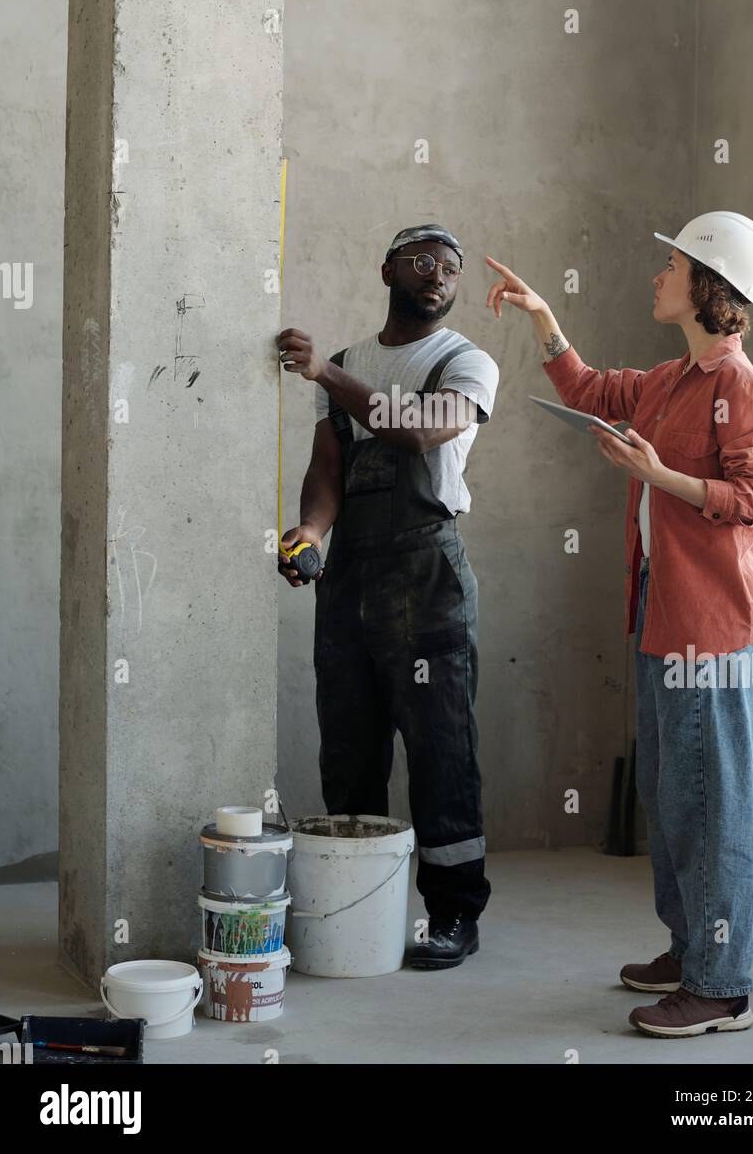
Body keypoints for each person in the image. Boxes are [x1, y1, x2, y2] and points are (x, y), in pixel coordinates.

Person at [486, 211, 753, 1038]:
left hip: (718, 628)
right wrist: (545, 319)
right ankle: (693, 952)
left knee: (714, 804)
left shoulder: (740, 387)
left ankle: (723, 988)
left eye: (673, 266)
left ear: (708, 285)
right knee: (670, 792)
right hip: (664, 618)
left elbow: (752, 501)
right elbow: (589, 390)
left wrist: (662, 476)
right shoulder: (671, 380)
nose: (658, 276)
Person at [277, 225, 499, 969]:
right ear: (388, 270)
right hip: (350, 585)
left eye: (451, 268)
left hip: (425, 581)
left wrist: (325, 378)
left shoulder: (463, 362)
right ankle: (361, 905)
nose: (438, 275)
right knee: (348, 754)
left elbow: (420, 432)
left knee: (440, 750)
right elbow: (329, 472)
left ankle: (453, 915)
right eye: (422, 262)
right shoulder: (347, 363)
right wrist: (309, 532)